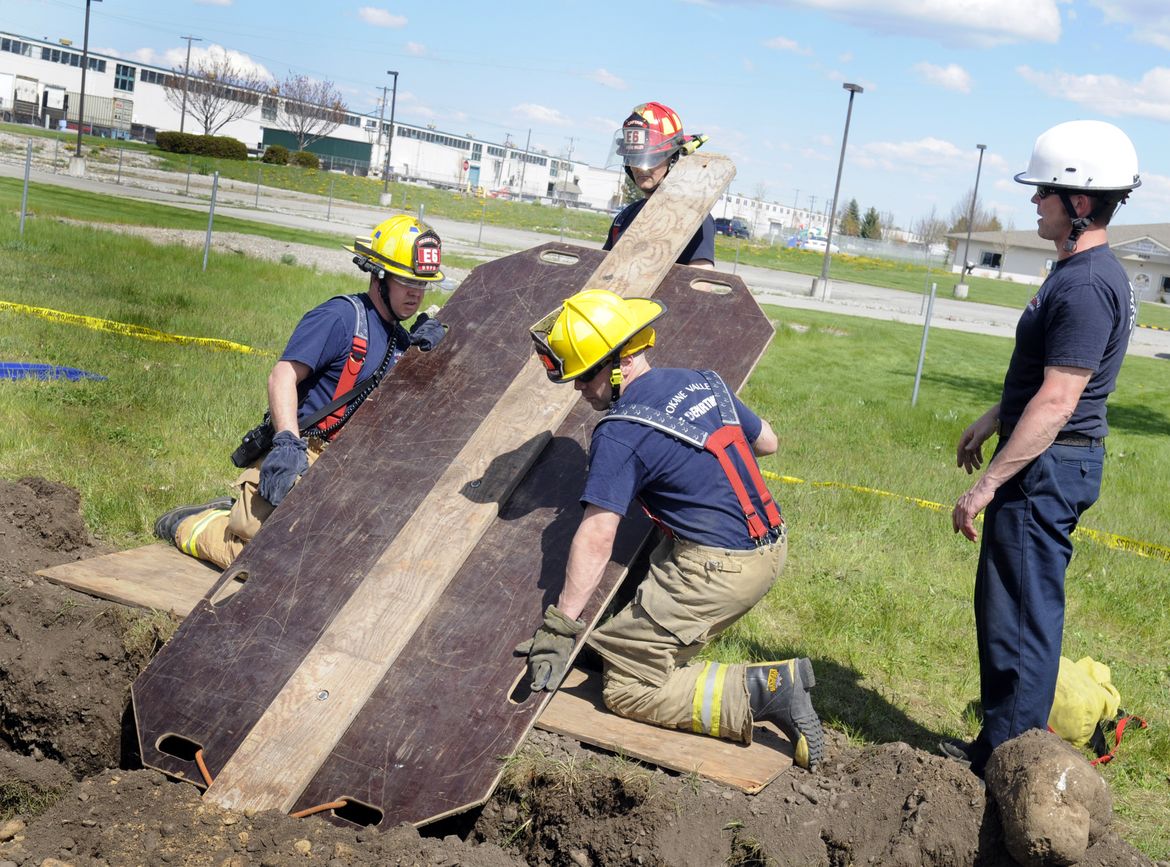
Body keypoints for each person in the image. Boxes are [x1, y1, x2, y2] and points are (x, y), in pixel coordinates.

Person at [517, 289, 825, 770]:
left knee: (627, 687)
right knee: (628, 628)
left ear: (618, 362)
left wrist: (561, 628)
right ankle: (651, 641)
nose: (579, 390)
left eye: (584, 377)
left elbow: (597, 538)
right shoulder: (705, 381)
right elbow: (767, 441)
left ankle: (762, 693)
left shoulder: (619, 431)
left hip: (719, 569)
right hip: (772, 542)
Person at [944, 120, 1140, 776]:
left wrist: (986, 483)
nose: (1034, 203)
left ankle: (1012, 768)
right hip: (1047, 457)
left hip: (1048, 467)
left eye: (1044, 193)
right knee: (1008, 608)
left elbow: (1059, 402)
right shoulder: (1077, 272)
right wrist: (994, 414)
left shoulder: (1086, 284)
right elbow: (1046, 378)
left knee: (1022, 619)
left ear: (1080, 204)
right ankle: (997, 746)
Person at [153, 215, 448, 569]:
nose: (416, 293)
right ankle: (197, 523)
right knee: (265, 562)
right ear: (378, 274)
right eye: (405, 280)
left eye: (423, 284)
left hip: (349, 466)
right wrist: (288, 442)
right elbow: (281, 377)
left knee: (329, 565)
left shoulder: (398, 338)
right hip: (302, 453)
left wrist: (418, 354)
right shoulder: (340, 318)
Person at [605, 101, 715, 269]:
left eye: (651, 158)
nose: (641, 167)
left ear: (673, 158)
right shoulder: (625, 216)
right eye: (634, 158)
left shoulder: (695, 218)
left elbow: (700, 283)